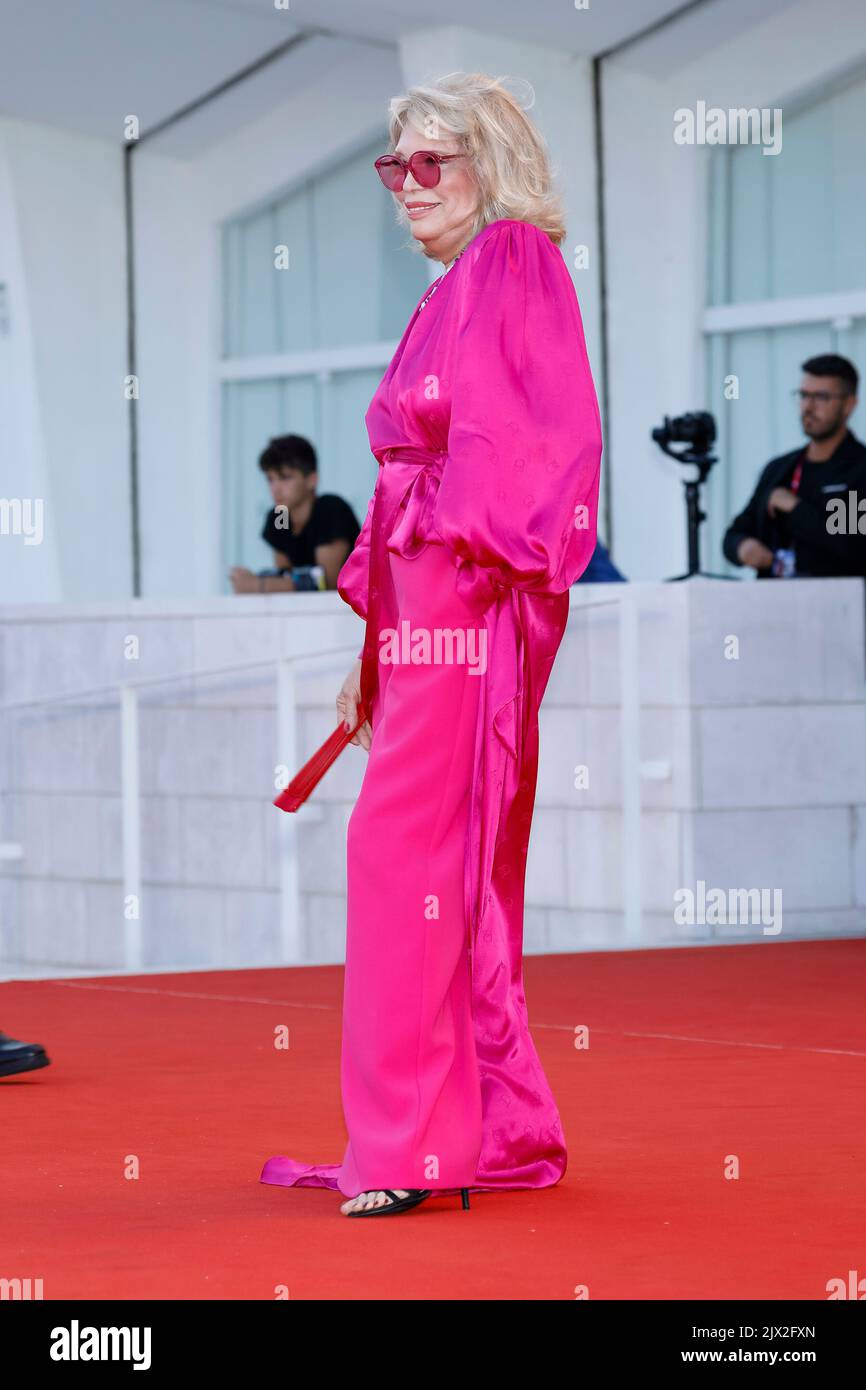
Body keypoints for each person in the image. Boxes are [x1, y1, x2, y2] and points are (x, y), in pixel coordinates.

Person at [260, 72, 601, 1217]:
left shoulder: (509, 258)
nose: (406, 188)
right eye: (393, 168)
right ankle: (438, 1129)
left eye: (430, 163)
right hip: (429, 595)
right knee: (423, 858)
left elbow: (531, 434)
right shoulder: (457, 281)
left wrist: (447, 584)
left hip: (461, 586)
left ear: (488, 161)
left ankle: (410, 1144)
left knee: (401, 853)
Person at [723, 355, 866, 578]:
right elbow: (735, 533)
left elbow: (851, 547)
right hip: (774, 605)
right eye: (803, 395)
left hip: (840, 606)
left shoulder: (858, 469)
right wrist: (743, 547)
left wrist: (796, 508)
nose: (808, 406)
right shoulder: (779, 469)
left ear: (848, 405)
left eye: (821, 397)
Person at [229, 434, 360, 593]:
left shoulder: (329, 508)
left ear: (311, 480)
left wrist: (258, 585)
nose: (275, 488)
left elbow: (328, 582)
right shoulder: (280, 515)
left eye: (285, 478)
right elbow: (283, 574)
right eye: (270, 479)